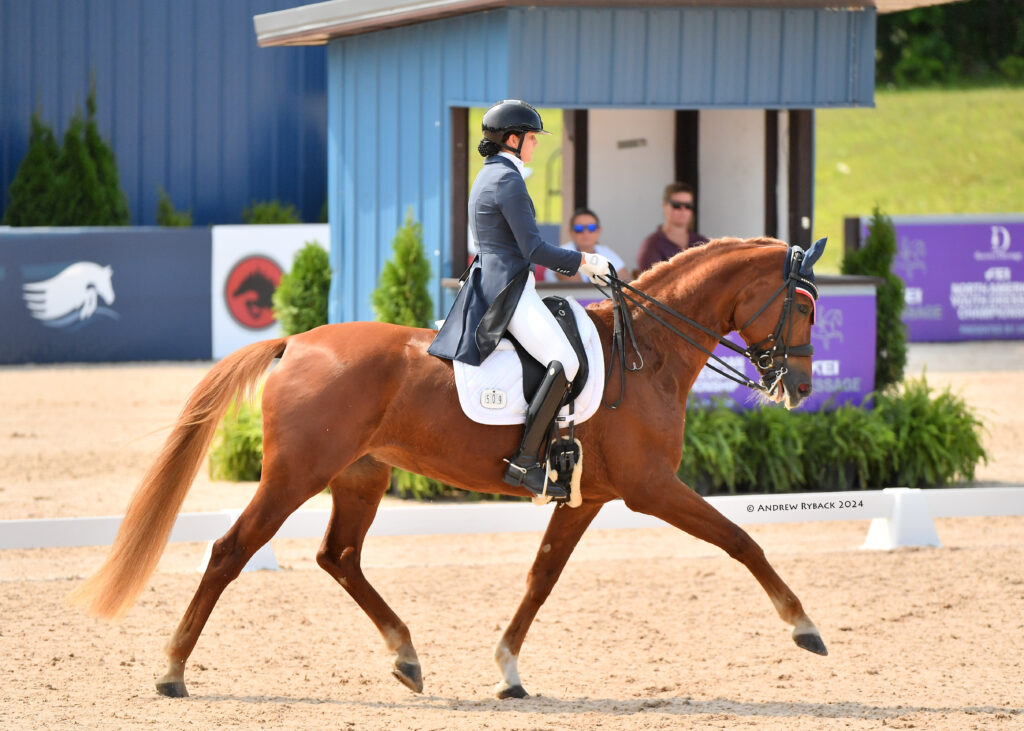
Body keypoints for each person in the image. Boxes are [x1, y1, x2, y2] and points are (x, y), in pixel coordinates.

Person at [428, 100, 612, 500]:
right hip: (508, 288)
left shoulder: (491, 174)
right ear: (513, 139)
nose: (535, 146)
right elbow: (534, 248)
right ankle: (525, 462)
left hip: (496, 280)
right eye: (532, 138)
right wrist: (585, 261)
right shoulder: (508, 181)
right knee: (567, 361)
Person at [636, 182, 710, 272]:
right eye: (677, 205)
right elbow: (651, 282)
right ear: (664, 205)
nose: (683, 210)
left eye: (688, 206)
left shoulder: (702, 242)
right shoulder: (652, 245)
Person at [544, 207, 628, 283]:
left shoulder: (606, 252)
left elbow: (626, 282)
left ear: (599, 231)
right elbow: (580, 290)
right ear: (571, 232)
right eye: (579, 228)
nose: (586, 232)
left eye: (591, 228)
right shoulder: (562, 254)